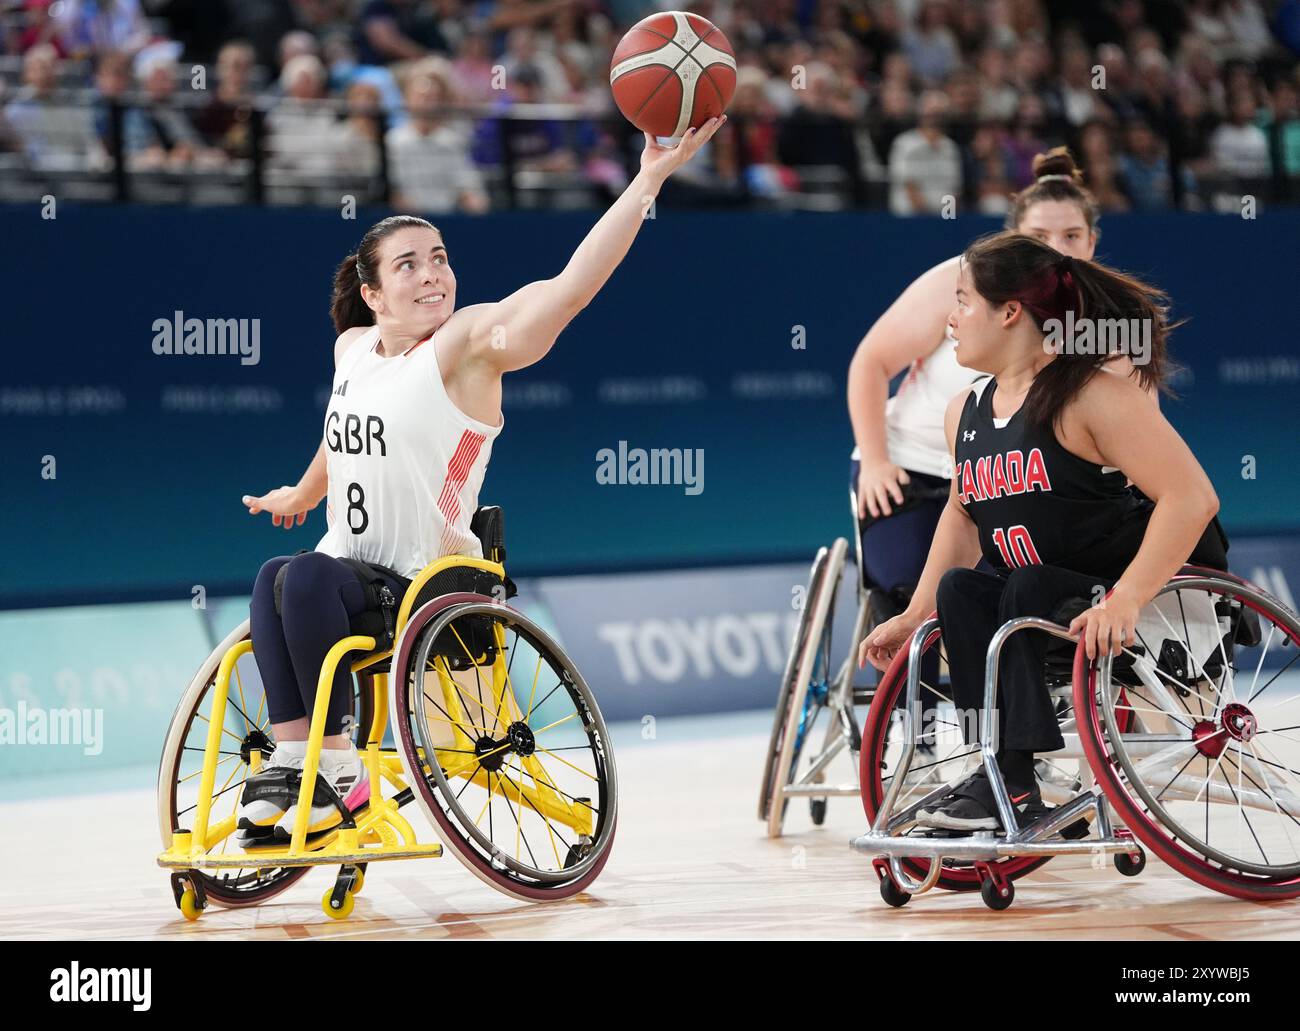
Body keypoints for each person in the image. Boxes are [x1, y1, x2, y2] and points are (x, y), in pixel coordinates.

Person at [234, 116, 726, 840]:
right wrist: (307, 491)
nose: (432, 273)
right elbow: (345, 427)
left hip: (426, 579)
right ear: (372, 294)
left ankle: (337, 769)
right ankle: (291, 755)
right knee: (273, 573)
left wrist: (647, 179)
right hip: (348, 573)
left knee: (302, 576)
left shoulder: (467, 347)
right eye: (408, 265)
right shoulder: (353, 349)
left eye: (438, 257)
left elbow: (567, 290)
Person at [858, 232, 1226, 832]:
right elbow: (961, 514)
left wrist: (1128, 599)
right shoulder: (966, 411)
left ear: (1009, 312)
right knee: (961, 590)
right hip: (1043, 605)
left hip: (1137, 598)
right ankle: (1004, 773)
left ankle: (1010, 772)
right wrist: (914, 613)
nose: (950, 319)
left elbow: (1193, 497)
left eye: (963, 302)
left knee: (1025, 586)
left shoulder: (1093, 394)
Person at [847, 148, 1129, 639]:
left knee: (1008, 599)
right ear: (1013, 234)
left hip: (1011, 486)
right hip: (912, 468)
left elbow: (1123, 430)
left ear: (1092, 241)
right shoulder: (962, 283)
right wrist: (875, 460)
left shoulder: (1104, 322)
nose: (1057, 249)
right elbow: (870, 362)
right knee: (920, 594)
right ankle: (925, 711)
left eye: (1071, 236)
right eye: (1039, 236)